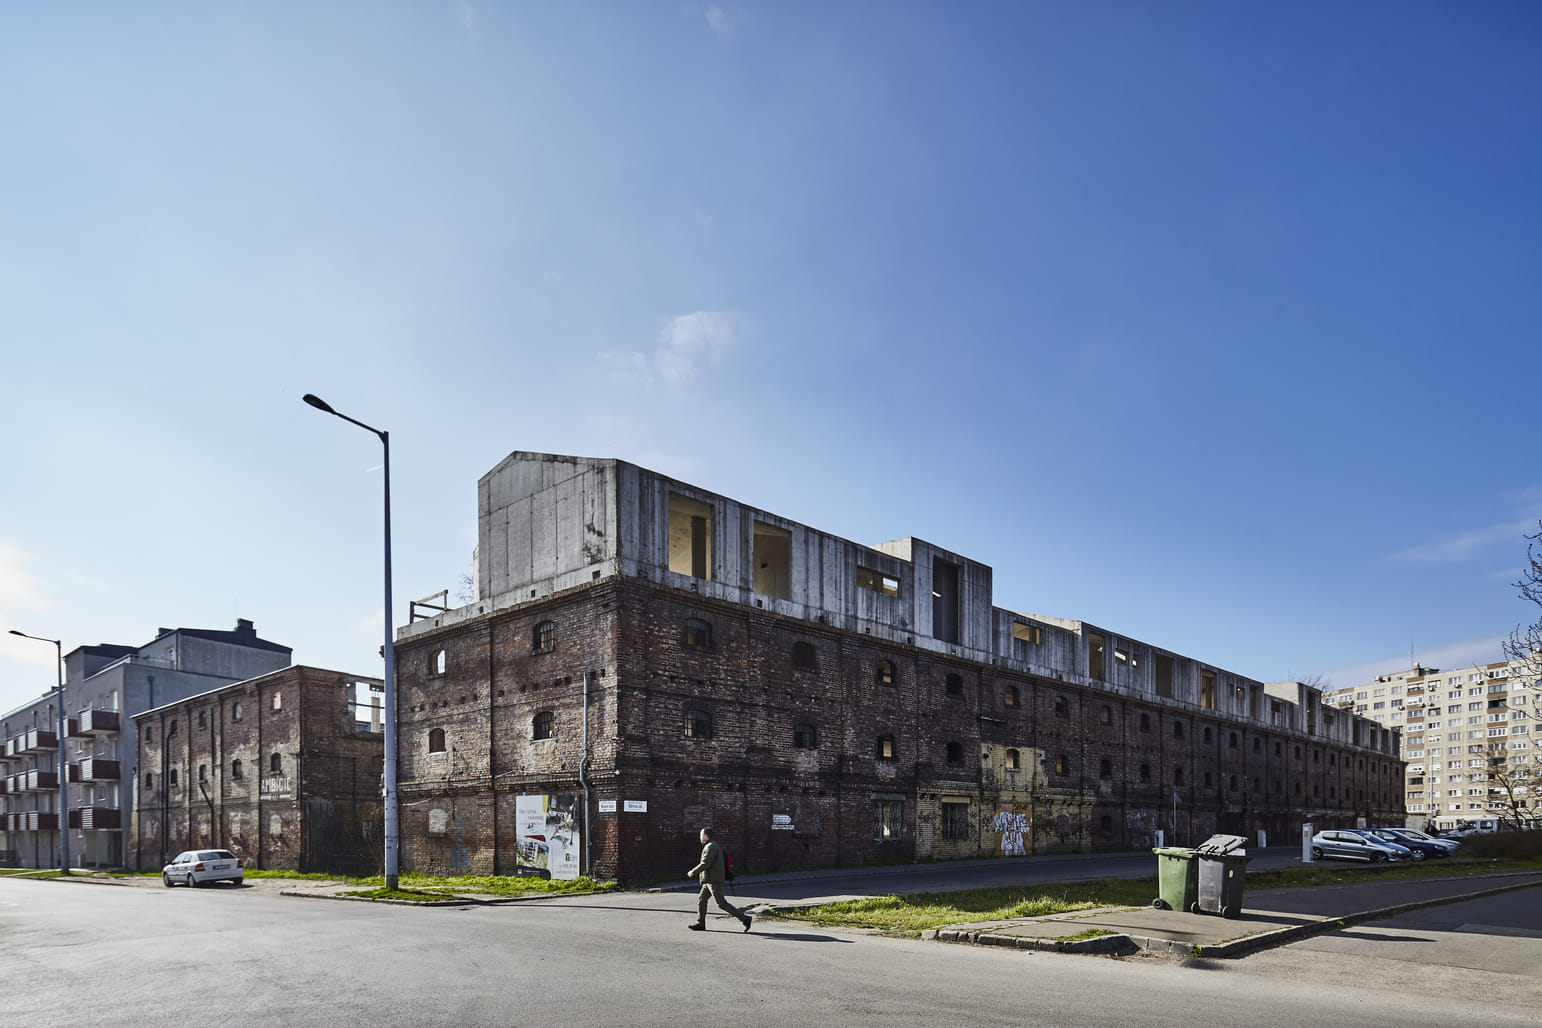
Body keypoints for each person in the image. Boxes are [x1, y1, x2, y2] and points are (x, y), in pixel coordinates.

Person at [686, 827, 751, 932]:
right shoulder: (711, 845)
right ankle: (700, 923)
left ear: (706, 836)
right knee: (701, 900)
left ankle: (745, 919)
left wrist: (693, 871)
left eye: (701, 835)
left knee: (722, 904)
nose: (700, 837)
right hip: (709, 880)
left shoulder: (710, 847)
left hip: (714, 880)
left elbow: (705, 863)